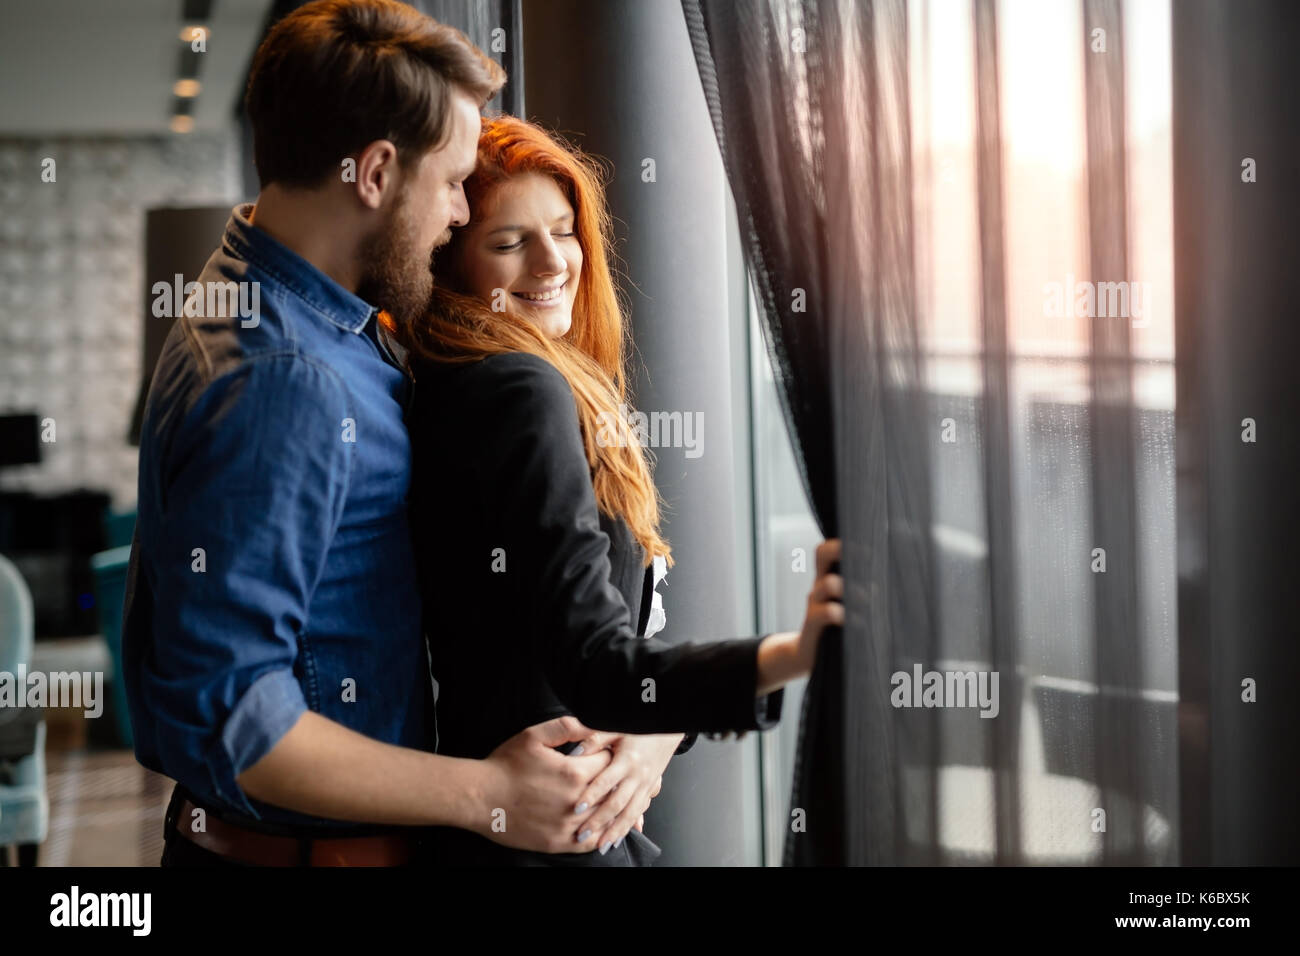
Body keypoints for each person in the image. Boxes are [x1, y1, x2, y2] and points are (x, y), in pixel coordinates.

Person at [123, 0, 637, 867]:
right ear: (373, 173)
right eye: (448, 184)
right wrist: (491, 796)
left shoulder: (270, 292)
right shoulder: (288, 378)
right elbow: (231, 713)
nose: (459, 218)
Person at [397, 115, 844, 866]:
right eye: (508, 243)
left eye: (565, 231)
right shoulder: (519, 389)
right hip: (551, 838)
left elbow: (587, 652)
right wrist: (789, 654)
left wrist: (659, 728)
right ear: (449, 267)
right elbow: (599, 668)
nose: (552, 263)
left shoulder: (456, 386)